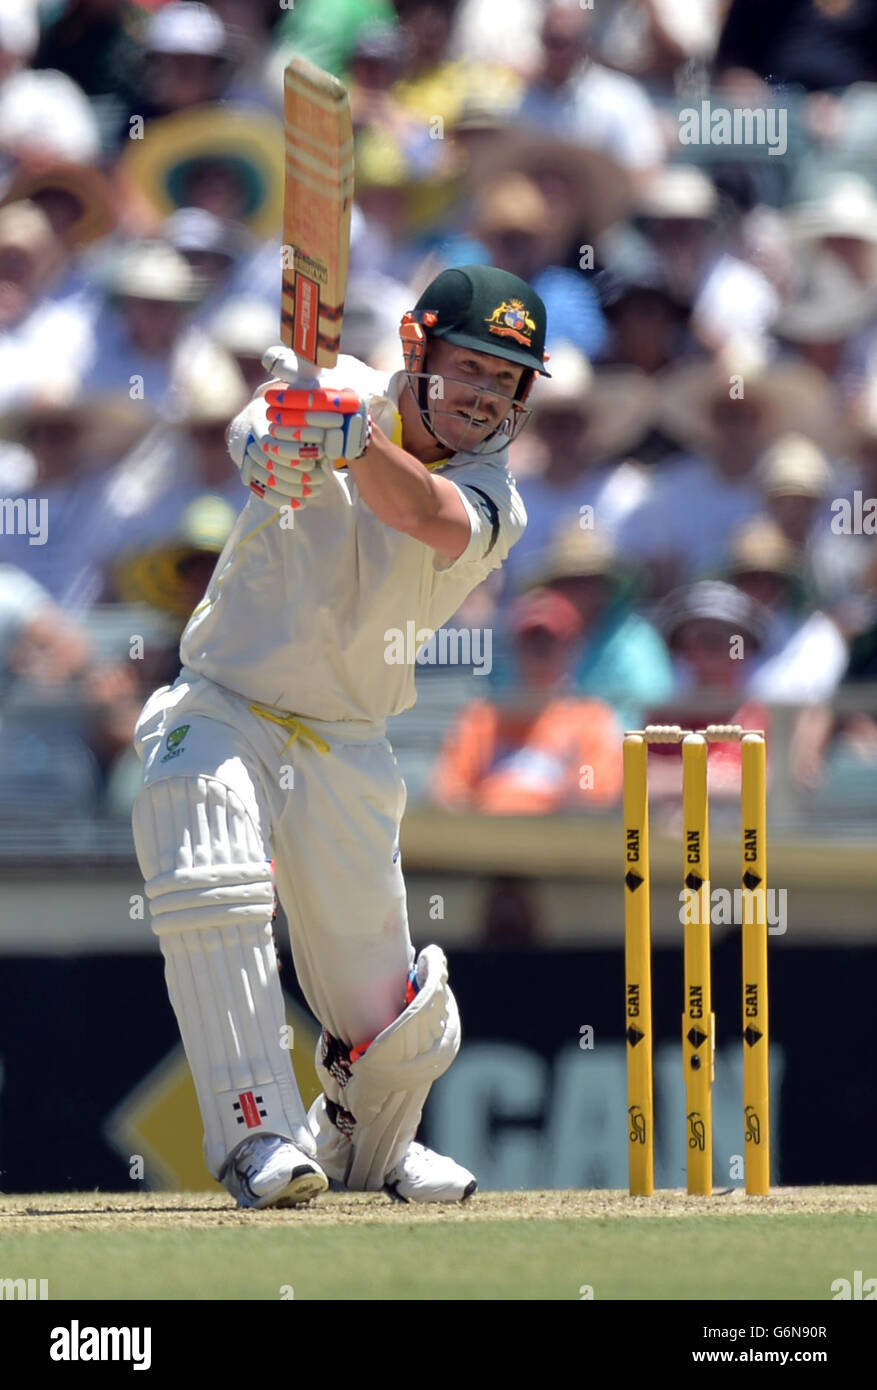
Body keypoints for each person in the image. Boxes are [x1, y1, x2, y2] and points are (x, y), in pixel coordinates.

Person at [130, 264, 548, 1208]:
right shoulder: (333, 391)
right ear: (416, 347)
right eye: (471, 366)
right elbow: (257, 450)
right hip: (228, 698)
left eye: (508, 379)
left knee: (391, 1019)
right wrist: (280, 436)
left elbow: (421, 512)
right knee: (197, 830)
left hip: (347, 741)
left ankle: (369, 1148)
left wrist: (348, 440)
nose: (486, 396)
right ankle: (255, 1135)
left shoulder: (493, 499)